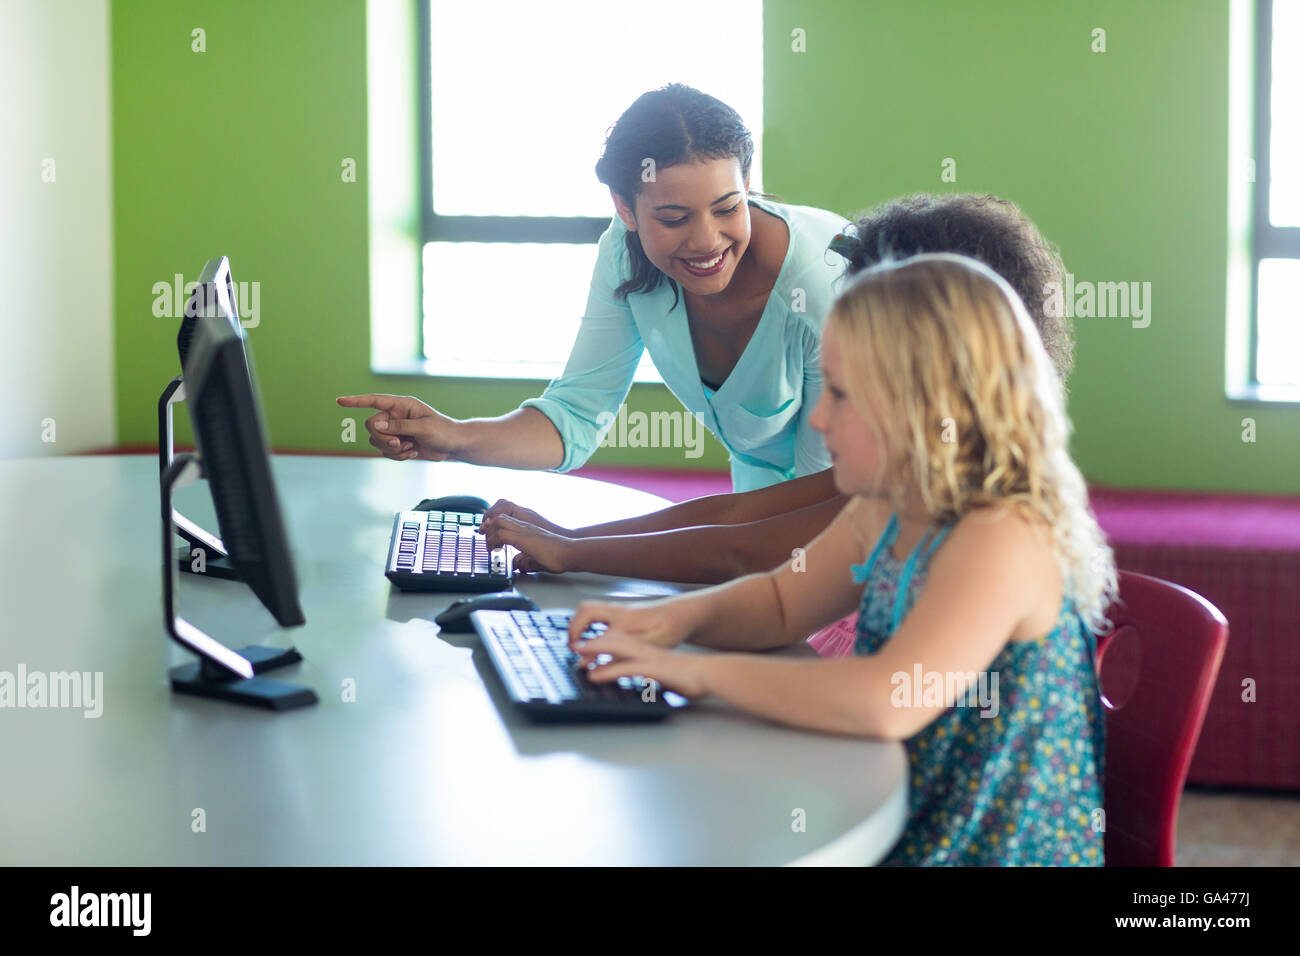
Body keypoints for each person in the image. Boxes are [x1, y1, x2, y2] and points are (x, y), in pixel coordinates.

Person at [563, 253, 1116, 866]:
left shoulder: (1001, 538)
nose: (819, 417)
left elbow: (887, 699)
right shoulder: (890, 505)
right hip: (908, 824)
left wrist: (695, 674)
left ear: (931, 410)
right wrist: (673, 622)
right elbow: (780, 602)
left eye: (844, 396)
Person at [480, 194, 1076, 588]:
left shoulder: (975, 523)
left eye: (849, 390)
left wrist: (575, 554)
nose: (822, 417)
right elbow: (738, 516)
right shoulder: (898, 485)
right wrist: (565, 541)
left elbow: (744, 550)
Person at [338, 83, 849, 493]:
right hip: (773, 508)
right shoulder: (624, 254)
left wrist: (585, 548)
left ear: (748, 181)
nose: (707, 240)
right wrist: (453, 436)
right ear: (625, 208)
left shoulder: (819, 283)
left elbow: (823, 499)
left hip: (872, 511)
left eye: (727, 207)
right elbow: (576, 418)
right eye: (673, 218)